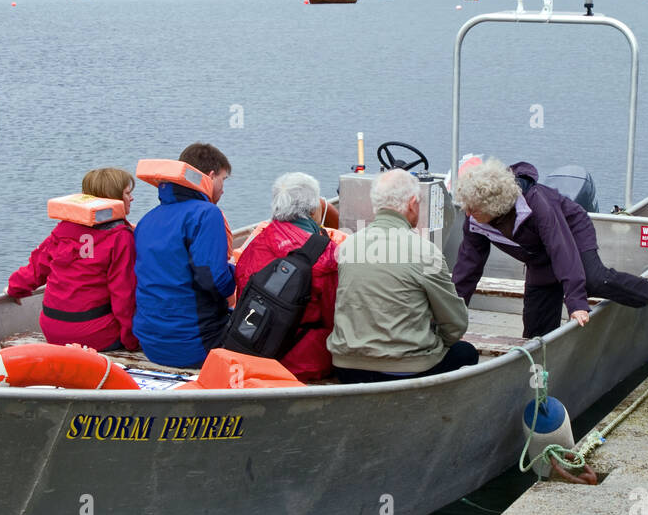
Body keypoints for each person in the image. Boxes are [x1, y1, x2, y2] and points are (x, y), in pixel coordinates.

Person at [451, 158, 648, 339]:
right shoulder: (477, 221)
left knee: (591, 280)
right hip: (537, 254)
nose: (468, 213)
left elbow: (561, 249)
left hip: (571, 230)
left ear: (494, 206)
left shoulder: (537, 206)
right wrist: (453, 319)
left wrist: (576, 302)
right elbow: (467, 268)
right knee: (536, 332)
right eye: (465, 207)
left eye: (473, 208)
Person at [327, 169, 478, 383]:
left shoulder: (346, 246)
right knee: (466, 353)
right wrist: (437, 339)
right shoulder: (425, 252)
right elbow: (456, 323)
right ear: (412, 203)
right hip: (407, 369)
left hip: (348, 368)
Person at [6, 167, 139, 352]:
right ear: (114, 197)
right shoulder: (121, 237)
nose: (132, 198)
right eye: (127, 193)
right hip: (96, 336)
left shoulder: (64, 229)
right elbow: (124, 295)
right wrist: (132, 342)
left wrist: (15, 289)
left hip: (53, 330)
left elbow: (36, 268)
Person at [133, 143, 235, 367]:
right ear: (210, 176)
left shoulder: (147, 220)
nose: (223, 189)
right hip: (193, 346)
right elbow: (216, 282)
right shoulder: (207, 214)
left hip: (151, 344)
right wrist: (236, 271)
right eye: (223, 180)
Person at [233, 172, 341, 381]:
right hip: (304, 363)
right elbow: (335, 316)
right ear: (313, 210)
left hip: (255, 352)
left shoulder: (254, 245)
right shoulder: (327, 254)